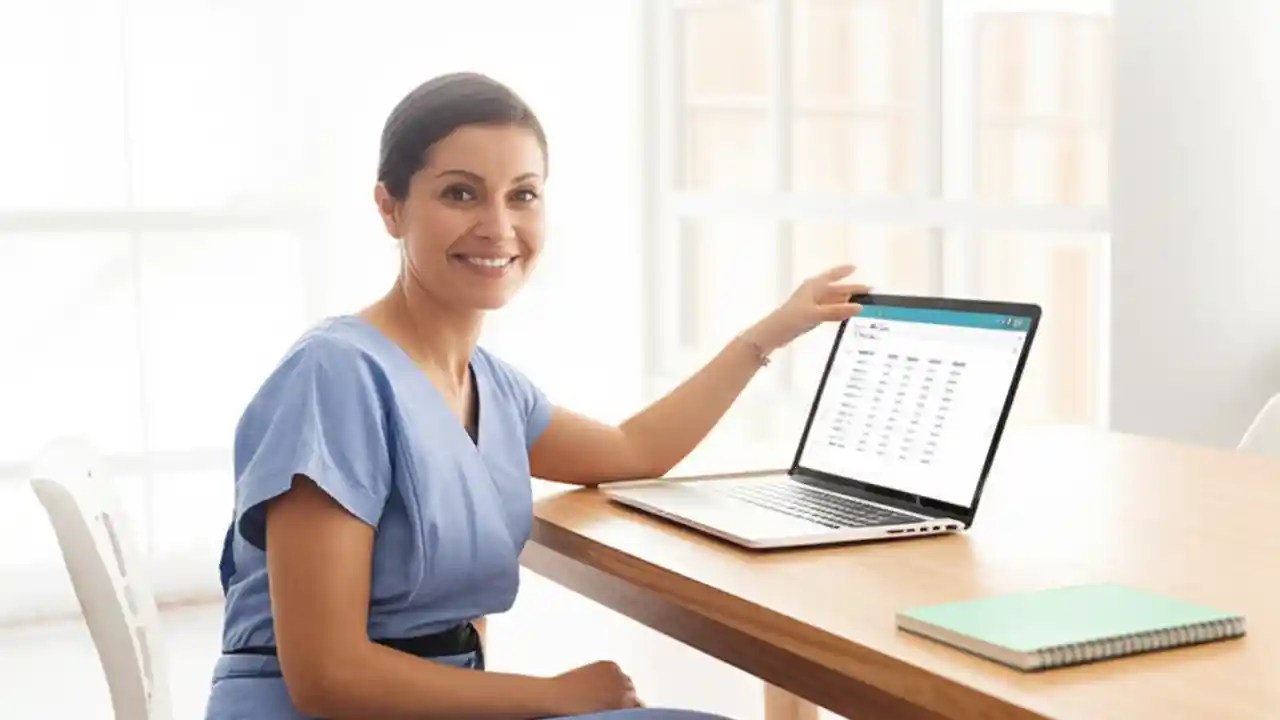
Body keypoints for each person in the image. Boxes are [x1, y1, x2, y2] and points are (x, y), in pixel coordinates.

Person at [205, 72, 868, 720]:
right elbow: (328, 677)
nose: (498, 226)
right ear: (390, 208)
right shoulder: (337, 374)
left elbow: (633, 450)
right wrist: (555, 696)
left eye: (522, 195)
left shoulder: (490, 387)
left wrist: (769, 334)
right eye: (461, 193)